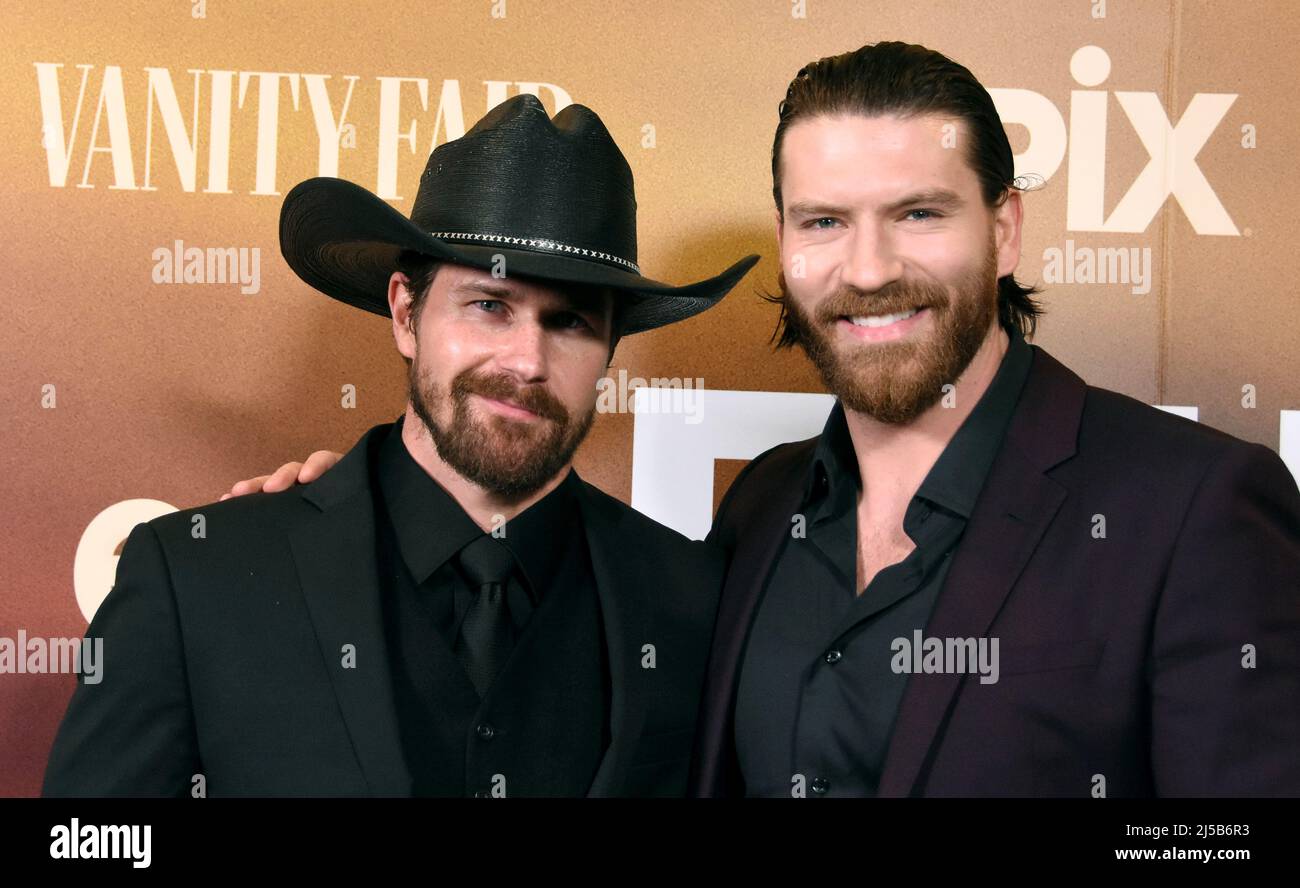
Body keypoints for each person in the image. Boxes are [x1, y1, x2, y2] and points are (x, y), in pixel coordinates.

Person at [226, 43, 1300, 798]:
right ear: (787, 241)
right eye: (824, 221)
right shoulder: (760, 512)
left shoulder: (1189, 508)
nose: (868, 269)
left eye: (917, 213)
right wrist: (337, 535)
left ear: (1004, 227)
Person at [42, 94, 758, 798]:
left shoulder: (693, 599)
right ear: (405, 313)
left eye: (569, 321)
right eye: (489, 306)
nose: (526, 360)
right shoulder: (197, 576)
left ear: (609, 351)